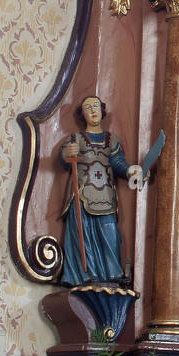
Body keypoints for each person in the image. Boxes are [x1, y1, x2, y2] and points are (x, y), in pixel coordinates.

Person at [60, 95, 132, 286]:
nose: (93, 111)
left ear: (102, 110)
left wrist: (130, 170)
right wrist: (67, 153)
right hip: (83, 195)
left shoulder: (111, 140)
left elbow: (118, 163)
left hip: (105, 194)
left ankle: (113, 273)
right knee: (83, 234)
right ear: (83, 115)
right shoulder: (77, 139)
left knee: (110, 232)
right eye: (88, 108)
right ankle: (86, 274)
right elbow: (64, 157)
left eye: (96, 106)